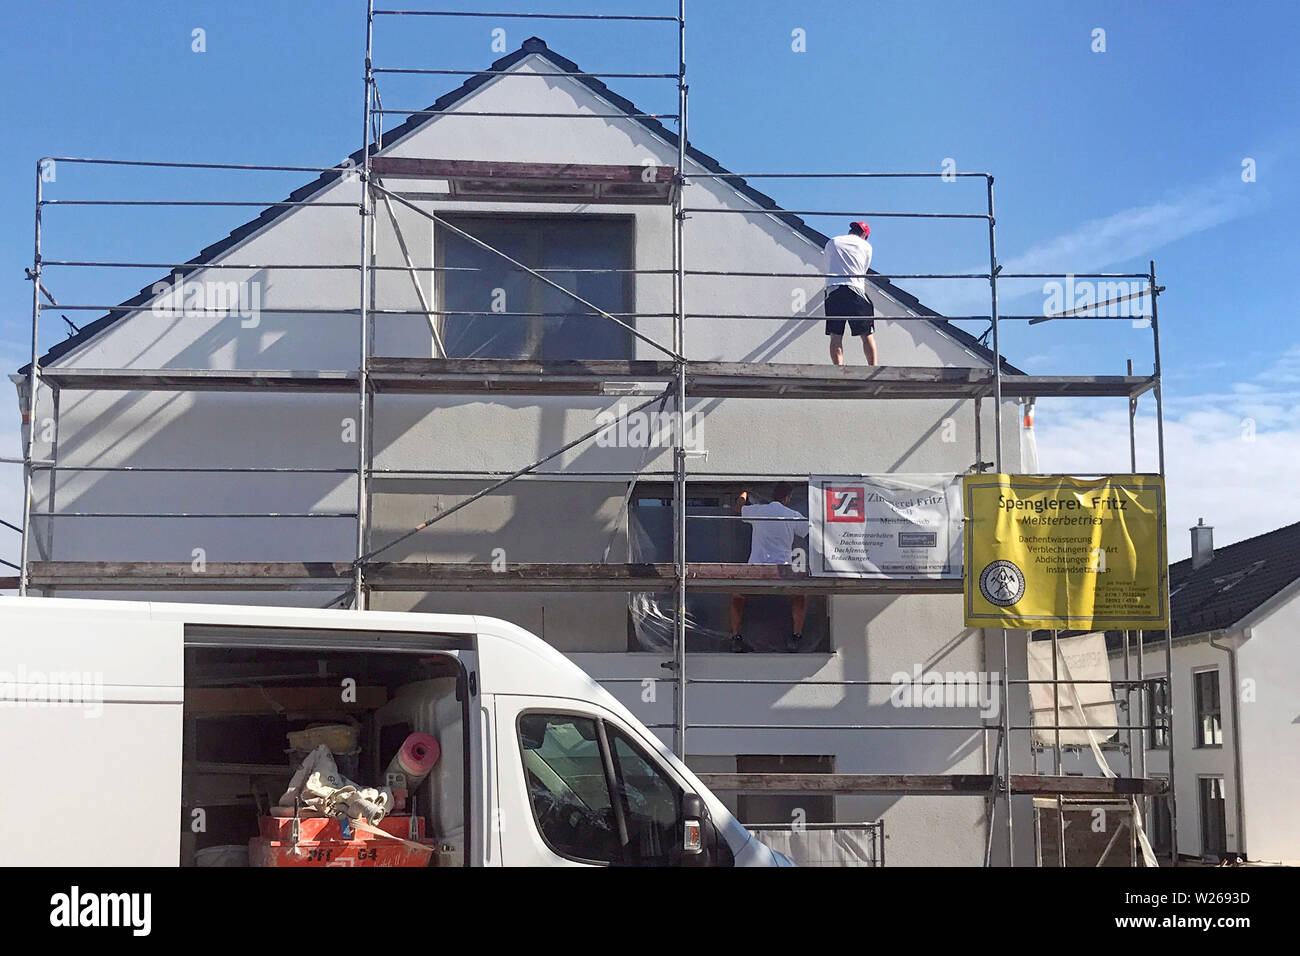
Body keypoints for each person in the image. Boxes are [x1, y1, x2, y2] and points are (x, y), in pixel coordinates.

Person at [729, 481, 809, 653]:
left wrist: (744, 492)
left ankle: (735, 636)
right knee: (799, 595)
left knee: (737, 595)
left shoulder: (759, 510)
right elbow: (809, 530)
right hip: (782, 570)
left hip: (757, 568)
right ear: (787, 497)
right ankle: (797, 635)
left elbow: (739, 507)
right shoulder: (792, 514)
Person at [823, 221, 877, 366]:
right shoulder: (866, 246)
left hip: (833, 290)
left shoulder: (832, 242)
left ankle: (838, 368)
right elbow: (863, 270)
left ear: (850, 230)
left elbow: (827, 264)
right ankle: (872, 368)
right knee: (867, 334)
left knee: (836, 335)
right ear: (865, 235)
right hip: (855, 289)